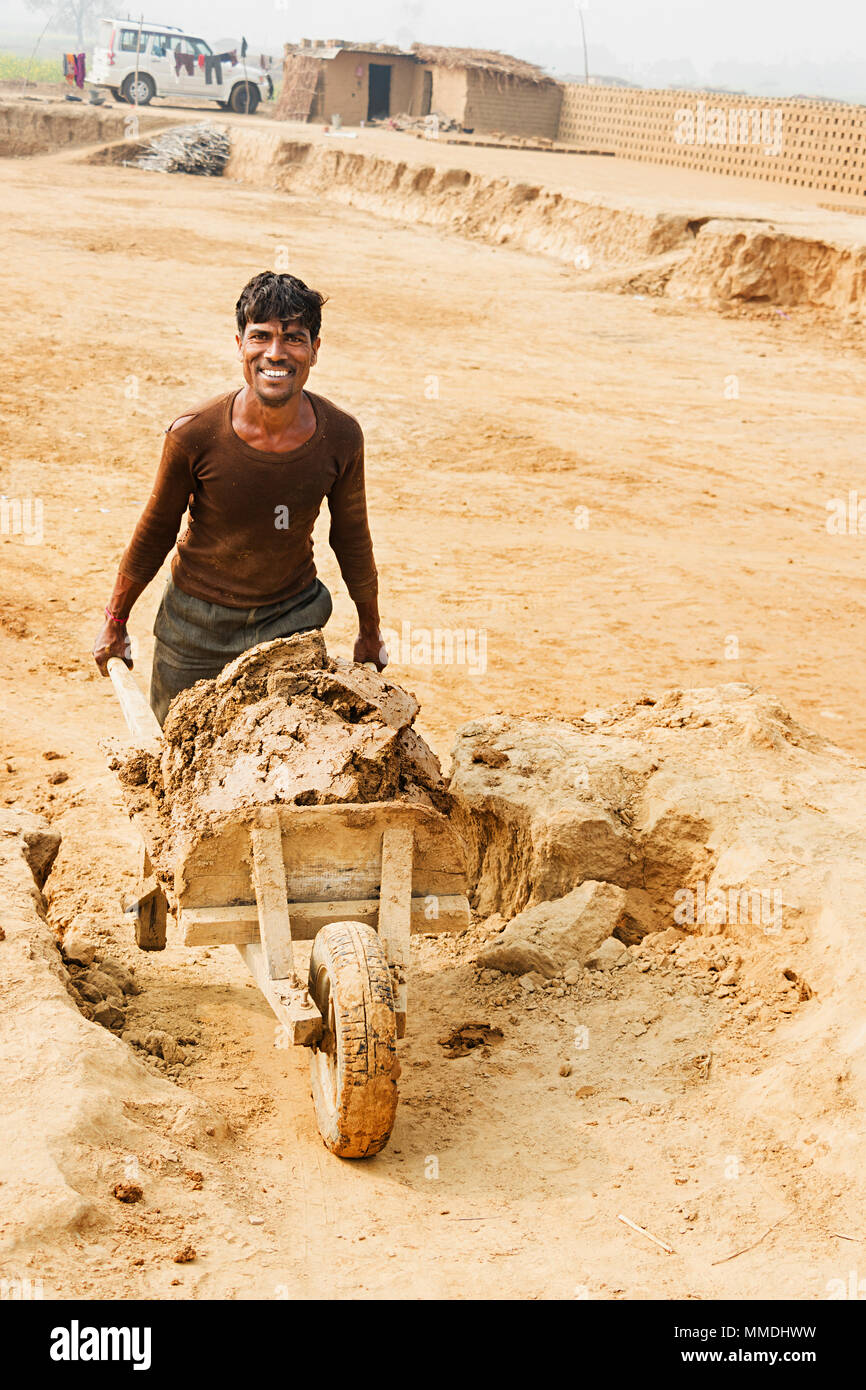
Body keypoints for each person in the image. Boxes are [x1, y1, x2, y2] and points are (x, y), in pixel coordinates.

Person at [92, 270, 387, 723]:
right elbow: (155, 532)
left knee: (285, 765)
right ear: (239, 345)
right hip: (194, 628)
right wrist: (115, 621)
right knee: (178, 762)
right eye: (261, 336)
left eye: (293, 338)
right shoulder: (194, 434)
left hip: (291, 623)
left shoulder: (341, 437)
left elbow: (351, 539)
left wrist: (371, 631)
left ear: (315, 350)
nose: (276, 353)